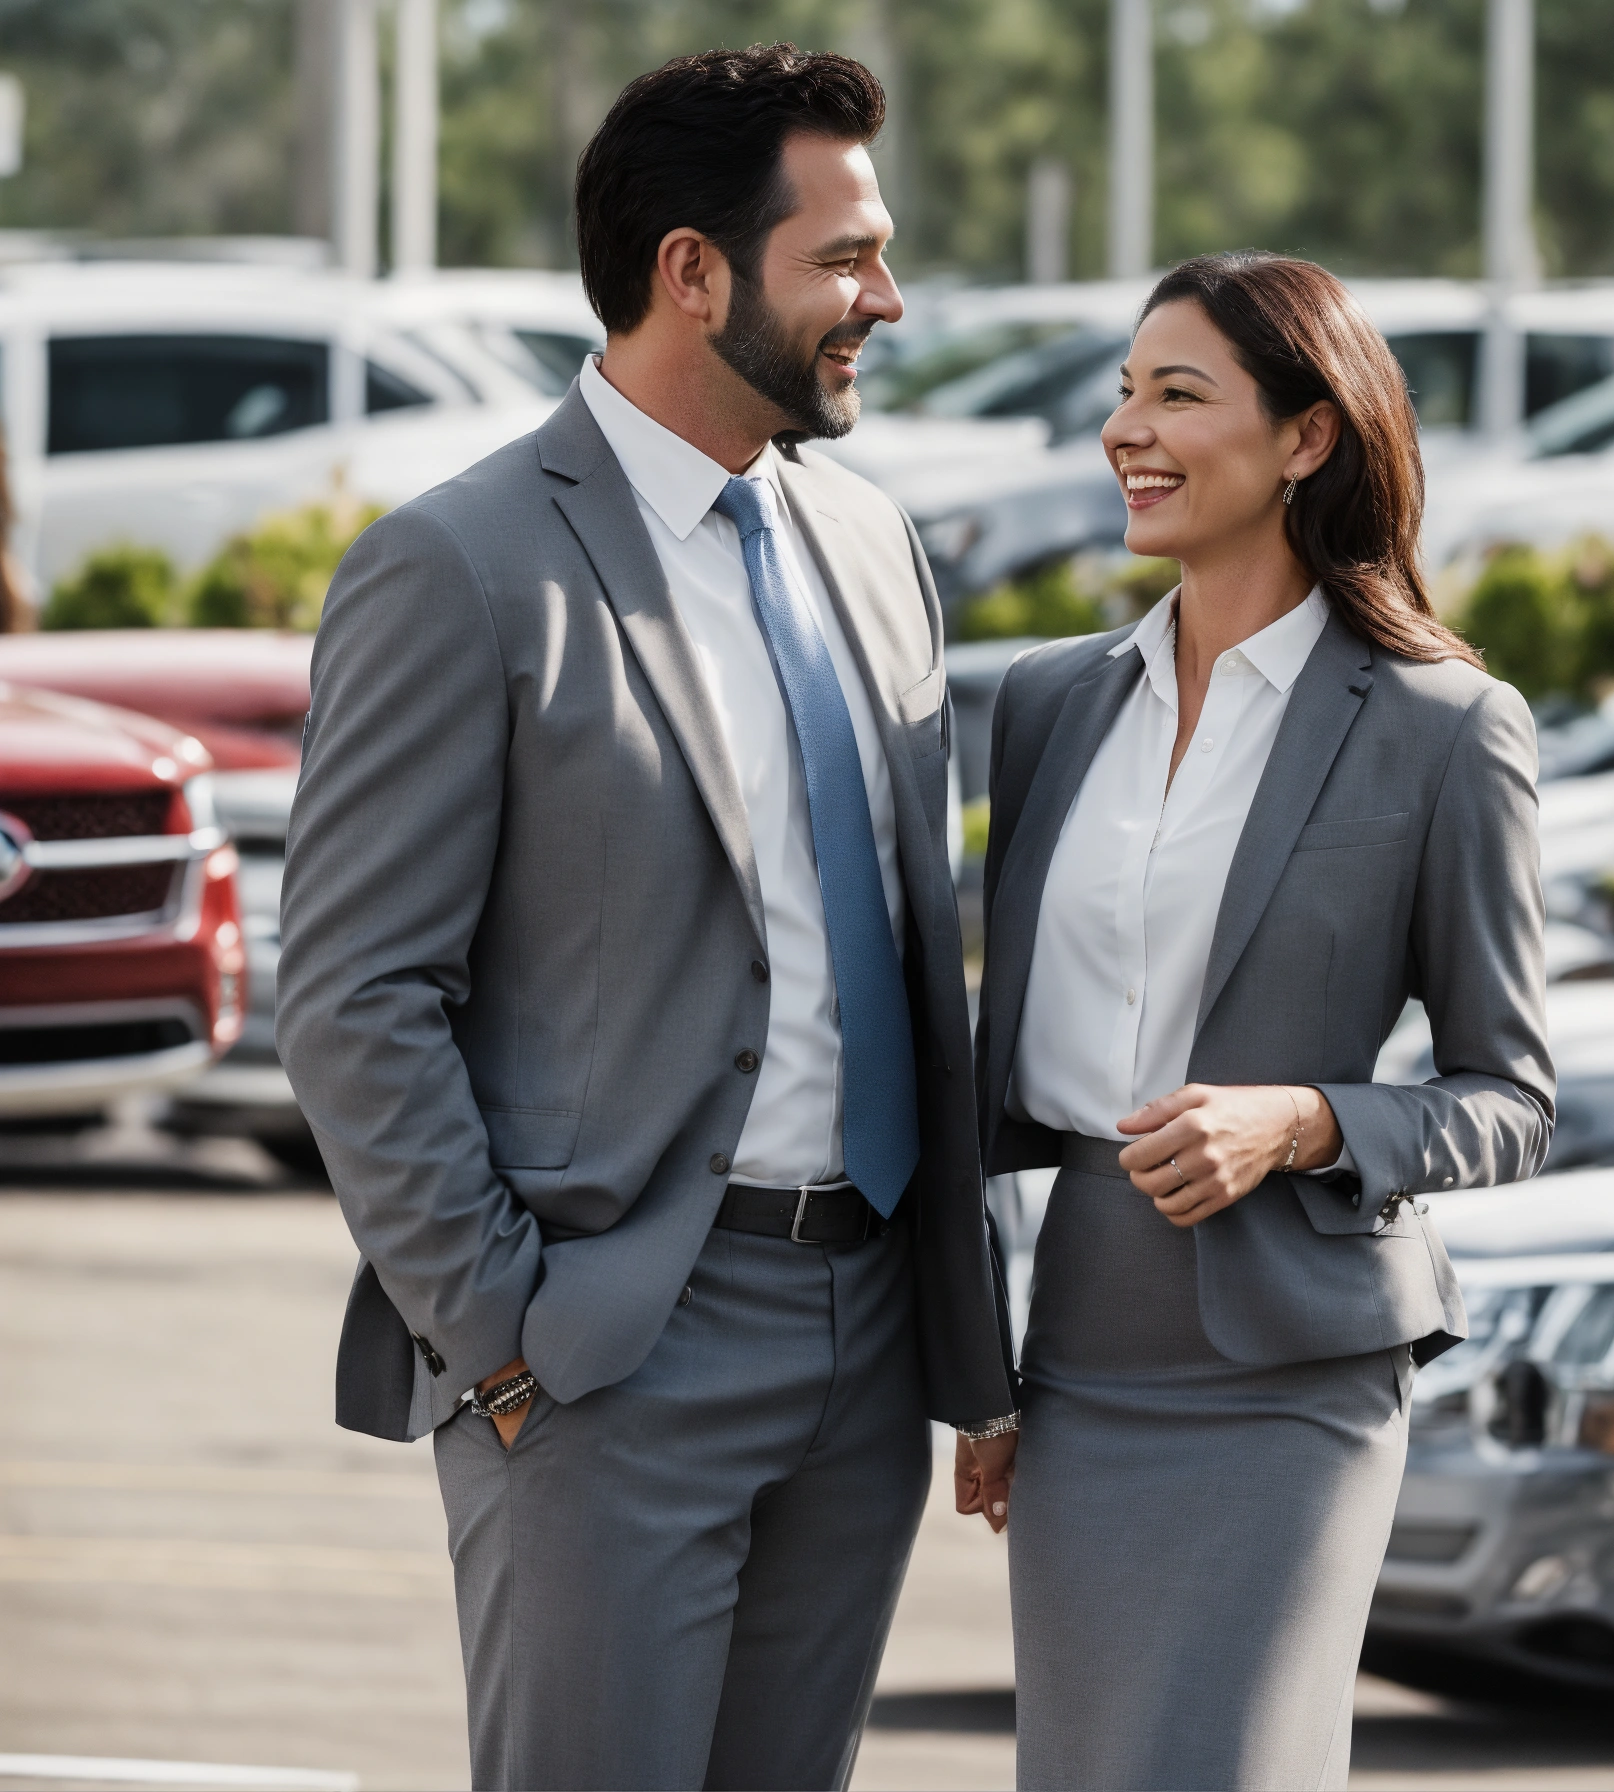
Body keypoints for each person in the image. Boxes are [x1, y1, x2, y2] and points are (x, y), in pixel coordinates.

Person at [276, 46, 1018, 1792]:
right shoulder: (458, 568)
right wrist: (504, 1337)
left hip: (868, 1343)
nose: (884, 301)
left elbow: (915, 958)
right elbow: (354, 995)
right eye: (843, 259)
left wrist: (961, 1338)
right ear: (692, 270)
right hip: (608, 1351)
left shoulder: (874, 546)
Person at [970, 251, 1555, 1791]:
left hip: (1297, 1368)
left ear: (1307, 436)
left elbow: (1512, 1100)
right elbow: (984, 1074)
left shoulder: (1444, 728)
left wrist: (1301, 1121)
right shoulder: (1049, 706)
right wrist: (973, 1368)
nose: (1128, 430)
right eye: (1124, 393)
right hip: (1082, 1345)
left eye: (1179, 395)